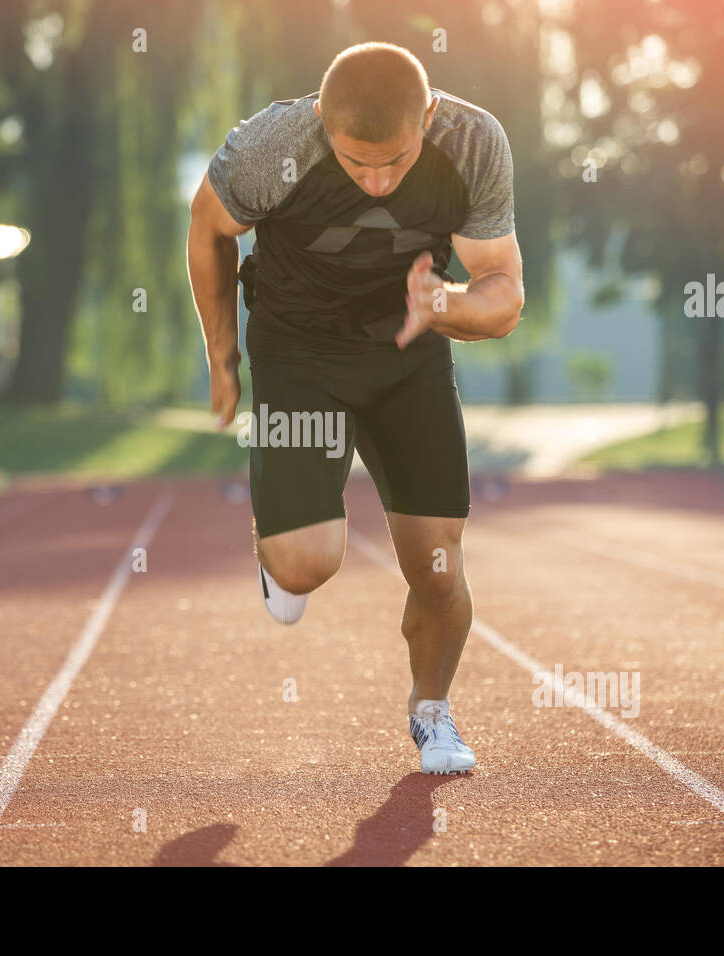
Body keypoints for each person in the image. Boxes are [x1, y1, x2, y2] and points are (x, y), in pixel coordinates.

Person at [186, 42, 524, 774]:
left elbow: (502, 295)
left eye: (395, 162)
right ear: (318, 120)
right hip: (298, 353)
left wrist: (446, 303)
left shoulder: (471, 143)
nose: (376, 181)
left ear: (429, 117)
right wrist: (222, 358)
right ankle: (281, 544)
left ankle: (431, 711)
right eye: (355, 161)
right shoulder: (268, 147)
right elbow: (209, 228)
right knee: (307, 567)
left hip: (409, 354)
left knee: (438, 567)